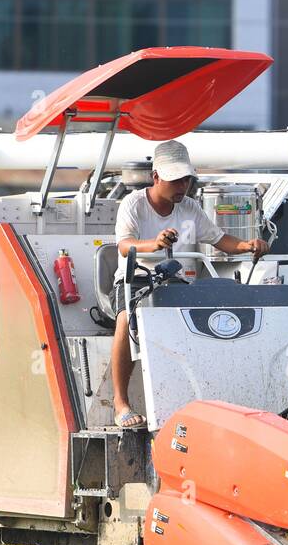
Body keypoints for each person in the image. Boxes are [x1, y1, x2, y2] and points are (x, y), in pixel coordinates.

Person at [110, 139, 269, 428]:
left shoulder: (191, 209)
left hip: (174, 282)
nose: (181, 186)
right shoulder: (132, 204)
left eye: (185, 179)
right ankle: (120, 404)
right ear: (156, 177)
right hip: (135, 280)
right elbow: (124, 246)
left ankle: (197, 402)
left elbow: (222, 241)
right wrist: (154, 244)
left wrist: (247, 245)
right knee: (125, 319)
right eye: (175, 180)